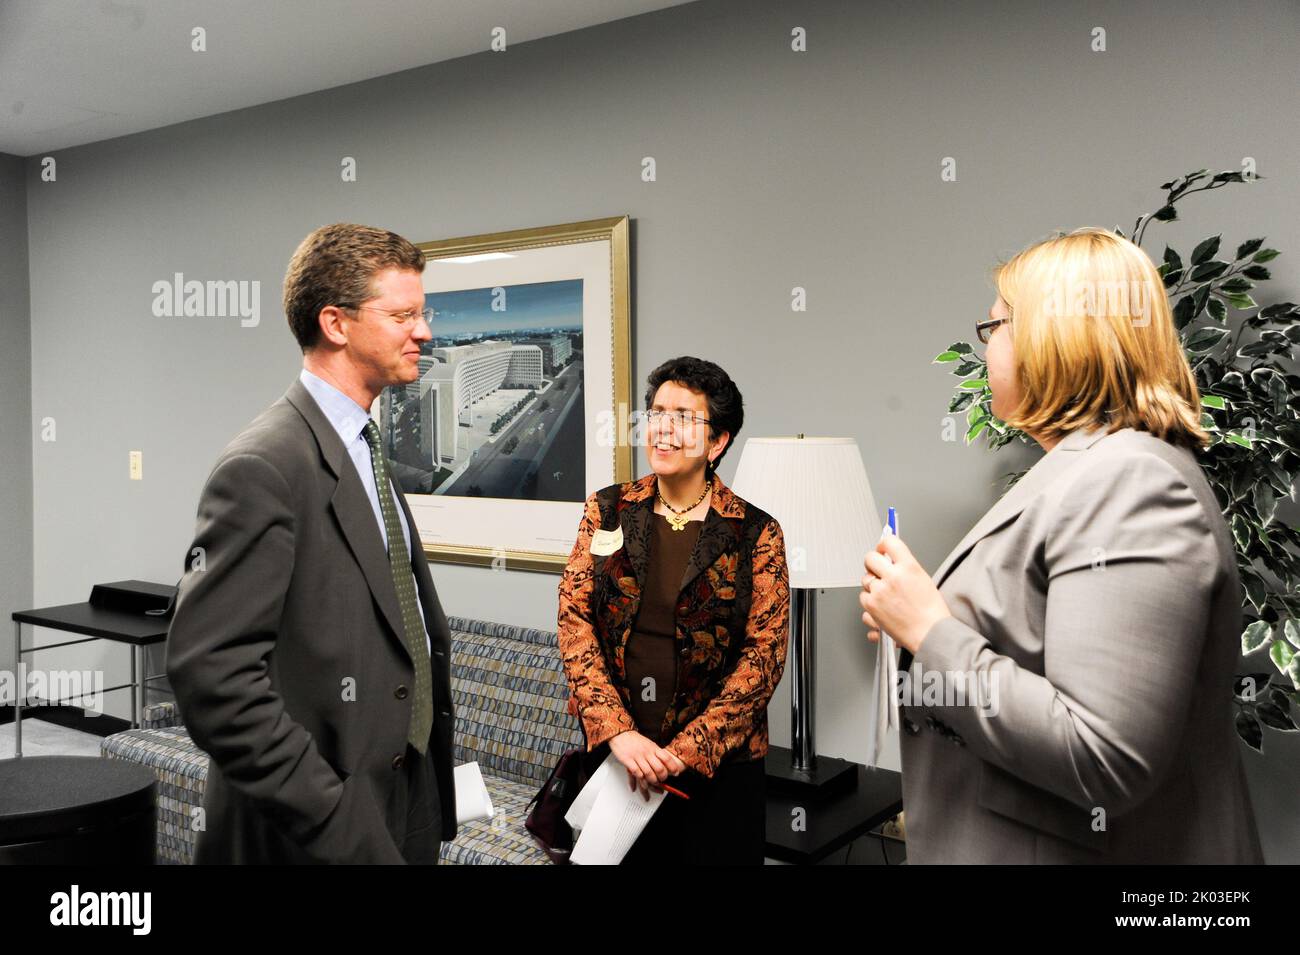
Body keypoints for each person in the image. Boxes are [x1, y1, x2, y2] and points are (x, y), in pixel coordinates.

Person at [859, 226, 1265, 863]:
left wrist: (930, 631)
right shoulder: (1088, 468)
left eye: (994, 328)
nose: (987, 347)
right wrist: (916, 628)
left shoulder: (1129, 480)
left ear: (1052, 338)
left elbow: (1102, 756)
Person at [166, 223, 458, 864]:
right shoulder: (264, 467)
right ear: (336, 323)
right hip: (313, 830)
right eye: (404, 315)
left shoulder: (365, 449)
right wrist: (334, 816)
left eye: (423, 313)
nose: (425, 332)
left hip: (403, 801)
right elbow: (213, 678)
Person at [557, 356, 790, 864]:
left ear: (717, 442)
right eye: (657, 413)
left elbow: (764, 656)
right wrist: (617, 731)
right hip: (616, 761)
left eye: (684, 417)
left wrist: (680, 754)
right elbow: (575, 621)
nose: (664, 428)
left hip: (716, 773)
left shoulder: (755, 532)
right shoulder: (608, 509)